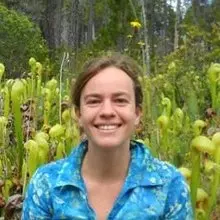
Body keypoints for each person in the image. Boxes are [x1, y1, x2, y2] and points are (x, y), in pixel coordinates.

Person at [22, 53, 193, 219]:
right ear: (78, 114)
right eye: (94, 101)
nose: (107, 112)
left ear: (137, 113)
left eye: (120, 100)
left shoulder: (170, 185)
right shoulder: (46, 184)